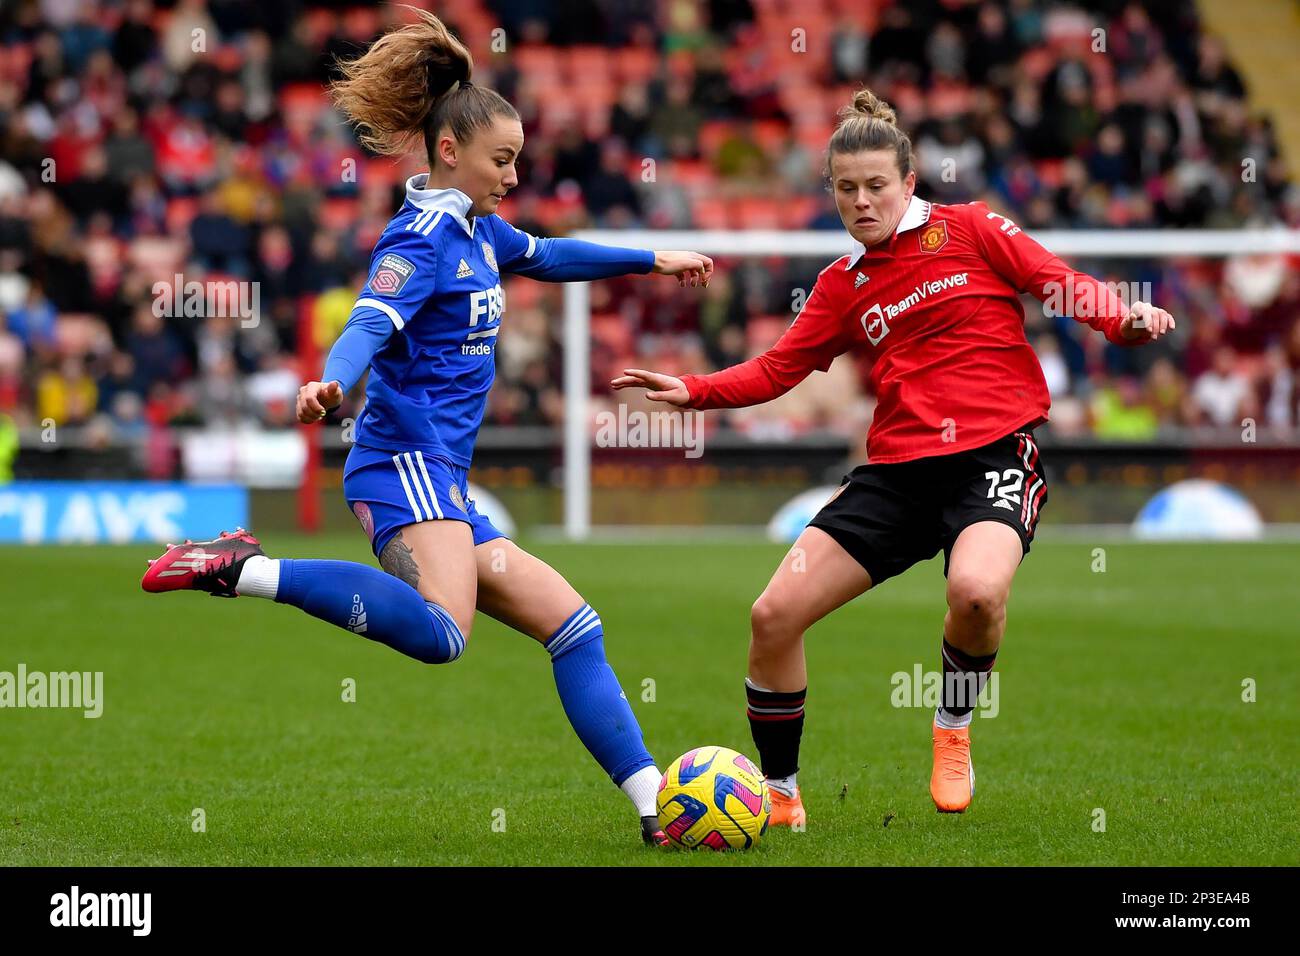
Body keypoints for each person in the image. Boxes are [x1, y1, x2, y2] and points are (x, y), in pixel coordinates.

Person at [142, 9, 714, 847]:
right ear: (450, 153)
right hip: (400, 460)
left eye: (517, 158)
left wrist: (650, 258)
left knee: (575, 628)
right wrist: (330, 380)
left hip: (441, 475)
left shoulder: (480, 231)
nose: (513, 175)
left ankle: (656, 807)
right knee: (446, 635)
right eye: (502, 160)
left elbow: (549, 257)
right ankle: (245, 568)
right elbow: (371, 321)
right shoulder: (423, 237)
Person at [613, 88, 1173, 823]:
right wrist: (692, 390)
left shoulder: (971, 228)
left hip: (995, 456)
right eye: (845, 189)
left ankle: (952, 730)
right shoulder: (842, 286)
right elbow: (779, 368)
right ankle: (779, 796)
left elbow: (1055, 281)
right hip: (898, 474)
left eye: (876, 185)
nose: (861, 201)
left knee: (975, 592)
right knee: (773, 614)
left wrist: (1120, 319)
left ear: (909, 182)